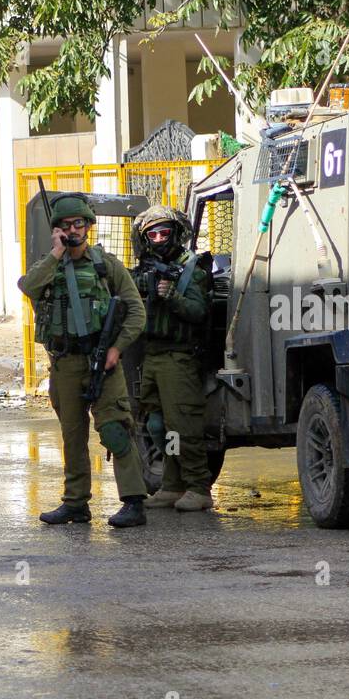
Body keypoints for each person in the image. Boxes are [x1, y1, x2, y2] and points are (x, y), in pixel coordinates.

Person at [18, 195, 151, 528]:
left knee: (115, 429)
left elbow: (136, 311)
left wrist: (117, 348)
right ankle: (76, 503)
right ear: (57, 231)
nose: (73, 230)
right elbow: (26, 286)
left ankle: (133, 502)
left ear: (89, 227)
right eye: (65, 225)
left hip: (102, 361)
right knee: (72, 437)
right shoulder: (48, 267)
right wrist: (56, 253)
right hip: (64, 364)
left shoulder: (106, 265)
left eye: (79, 224)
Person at [130, 205, 215, 512]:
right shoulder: (145, 269)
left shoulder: (190, 268)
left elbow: (198, 311)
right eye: (152, 233)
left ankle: (199, 487)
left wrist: (173, 296)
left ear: (176, 233)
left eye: (164, 232)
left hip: (178, 357)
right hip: (151, 355)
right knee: (157, 425)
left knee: (182, 425)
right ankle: (172, 483)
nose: (158, 238)